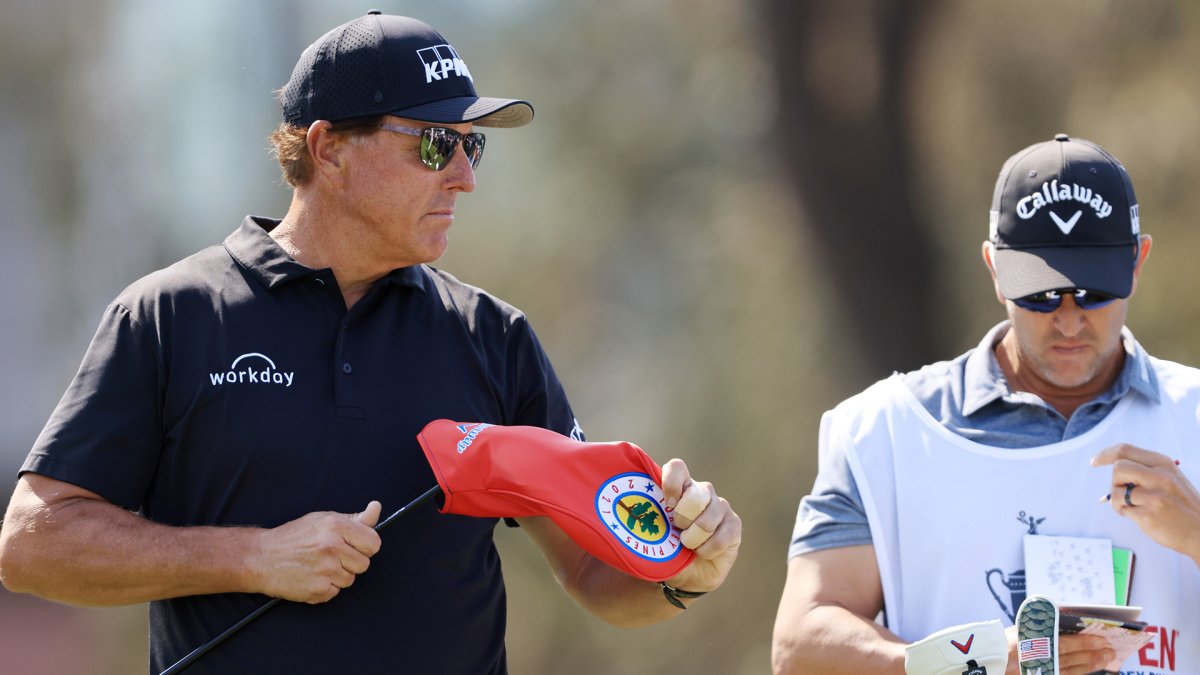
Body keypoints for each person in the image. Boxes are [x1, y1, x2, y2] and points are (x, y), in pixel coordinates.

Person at [0, 13, 741, 674]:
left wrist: (688, 573)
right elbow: (33, 544)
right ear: (329, 150)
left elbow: (590, 573)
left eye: (470, 146)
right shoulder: (172, 315)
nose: (463, 177)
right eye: (433, 145)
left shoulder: (493, 336)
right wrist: (253, 557)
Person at [771, 134, 1200, 675]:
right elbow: (798, 649)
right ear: (995, 268)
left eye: (1094, 293)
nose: (1069, 322)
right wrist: (979, 663)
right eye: (1040, 295)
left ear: (1137, 262)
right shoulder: (884, 432)